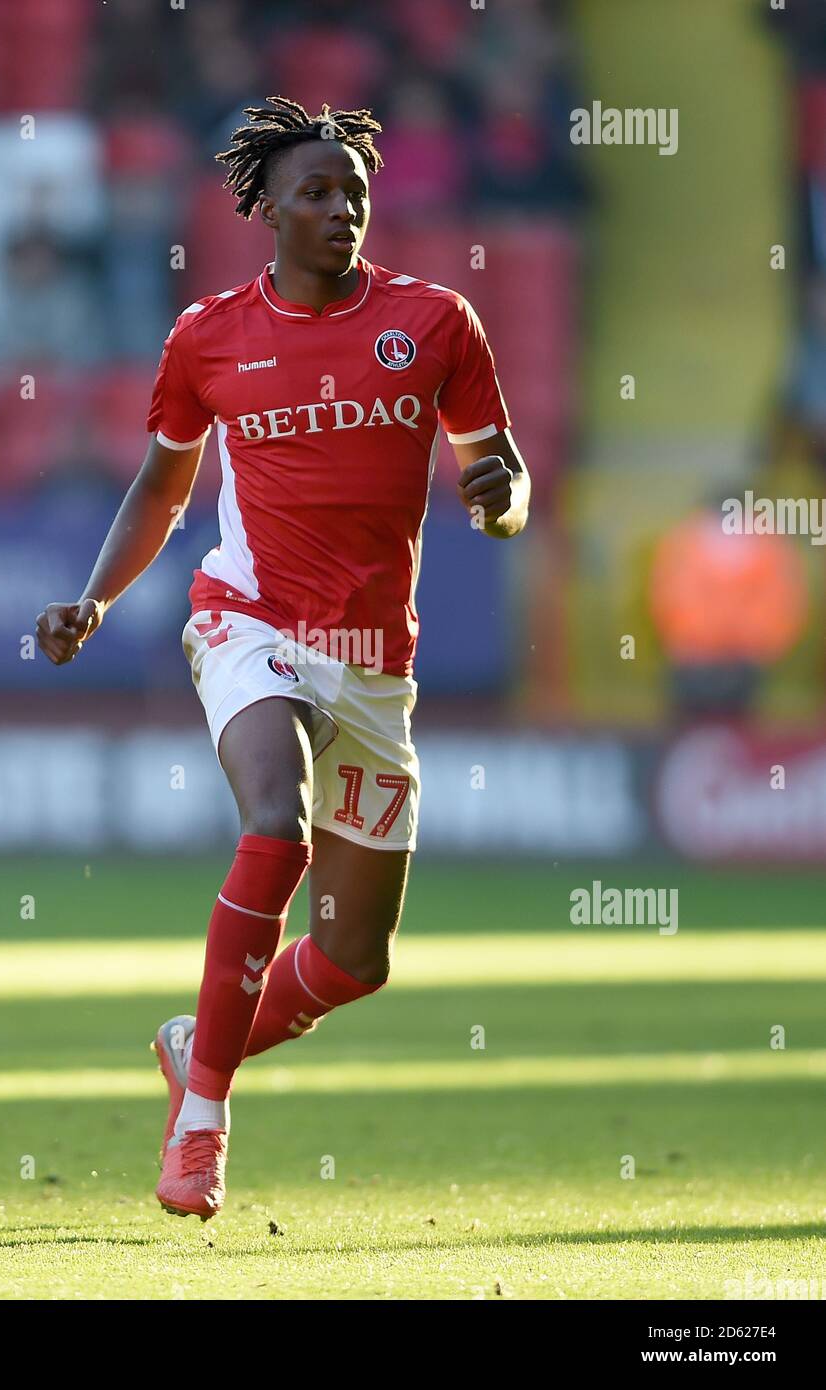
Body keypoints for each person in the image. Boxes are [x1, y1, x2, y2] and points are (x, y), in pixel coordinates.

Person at [36, 96, 531, 1221]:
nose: (341, 210)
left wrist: (502, 505)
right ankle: (204, 1121)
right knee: (275, 821)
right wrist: (96, 599)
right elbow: (162, 484)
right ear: (264, 208)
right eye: (315, 191)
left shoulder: (436, 321)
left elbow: (496, 481)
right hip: (249, 621)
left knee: (354, 959)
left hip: (374, 659)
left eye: (354, 191)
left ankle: (189, 1043)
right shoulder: (206, 335)